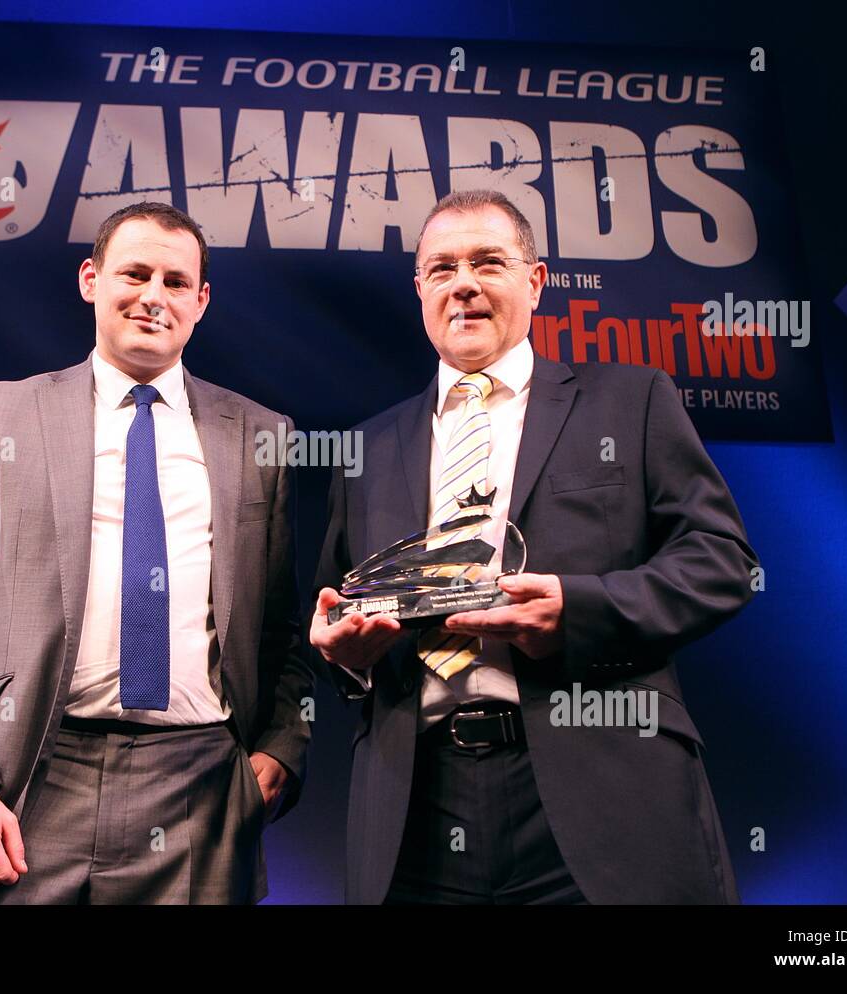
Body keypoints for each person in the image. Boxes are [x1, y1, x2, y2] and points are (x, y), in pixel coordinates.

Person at [310, 189, 757, 904]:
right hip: (416, 807)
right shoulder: (366, 446)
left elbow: (723, 562)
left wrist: (576, 611)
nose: (465, 284)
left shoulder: (630, 400)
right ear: (420, 289)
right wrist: (345, 654)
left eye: (489, 262)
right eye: (442, 268)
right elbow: (340, 606)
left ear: (536, 281)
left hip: (601, 789)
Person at [0, 201, 313, 904]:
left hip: (200, 794)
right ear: (91, 279)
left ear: (201, 300)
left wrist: (281, 749)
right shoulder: (3, 414)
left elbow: (283, 632)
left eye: (176, 282)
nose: (154, 296)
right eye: (135, 274)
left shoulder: (262, 437)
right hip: (27, 778)